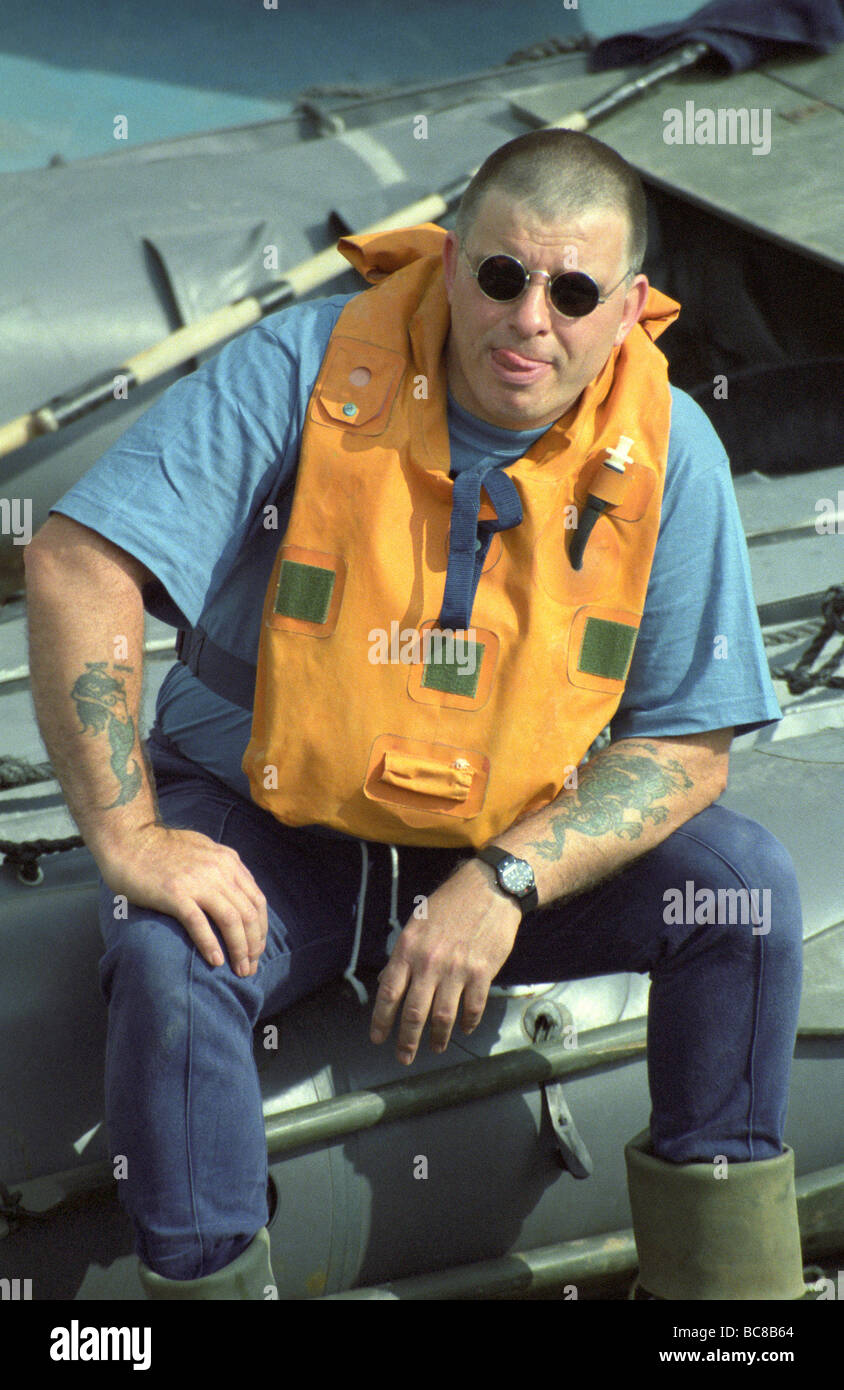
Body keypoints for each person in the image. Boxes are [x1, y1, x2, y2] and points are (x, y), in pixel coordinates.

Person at [25, 129, 807, 1301]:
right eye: (501, 274)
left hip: (502, 844)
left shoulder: (667, 451)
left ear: (627, 307)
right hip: (265, 828)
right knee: (167, 956)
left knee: (741, 892)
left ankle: (721, 1305)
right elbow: (78, 561)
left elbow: (685, 749)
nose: (529, 319)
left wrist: (503, 883)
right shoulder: (299, 368)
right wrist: (129, 835)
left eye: (573, 293)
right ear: (448, 261)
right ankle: (207, 1279)